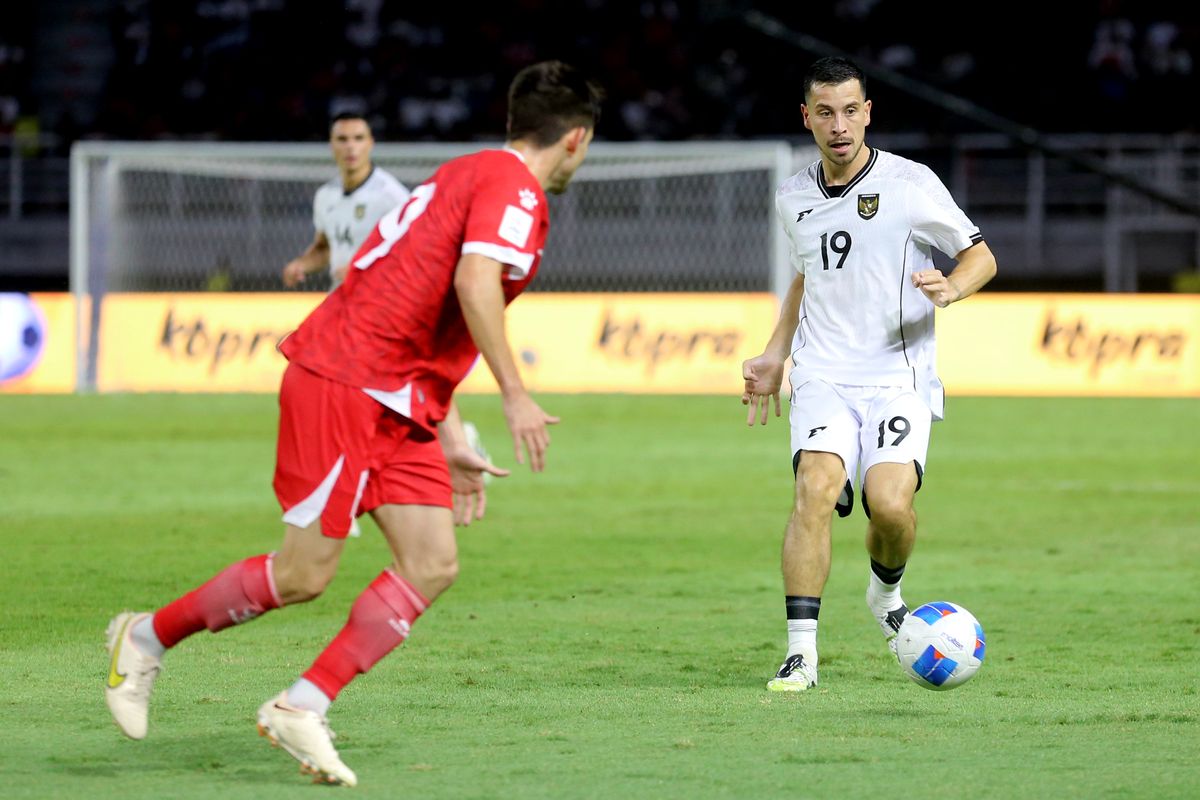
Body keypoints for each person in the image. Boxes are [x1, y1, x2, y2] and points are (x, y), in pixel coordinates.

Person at [104, 60, 603, 785]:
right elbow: (472, 287)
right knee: (304, 573)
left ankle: (301, 706)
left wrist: (451, 434)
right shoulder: (515, 189)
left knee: (433, 560)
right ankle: (145, 637)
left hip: (398, 395)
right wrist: (516, 394)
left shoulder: (464, 173)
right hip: (346, 379)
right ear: (577, 139)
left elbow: (427, 309)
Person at [740, 56, 997, 692]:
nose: (839, 124)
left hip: (897, 376)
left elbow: (980, 256)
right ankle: (802, 651)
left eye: (851, 110)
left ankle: (886, 594)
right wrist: (775, 353)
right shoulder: (792, 197)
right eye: (825, 112)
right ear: (807, 117)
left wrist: (952, 288)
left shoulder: (910, 185)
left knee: (890, 508)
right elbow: (807, 277)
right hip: (824, 372)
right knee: (815, 489)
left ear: (868, 113)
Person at [282, 111, 410, 290]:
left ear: (370, 143)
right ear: (331, 145)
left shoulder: (393, 197)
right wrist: (301, 265)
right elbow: (325, 248)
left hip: (382, 301)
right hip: (341, 296)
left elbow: (414, 254)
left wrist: (364, 270)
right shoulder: (325, 195)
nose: (350, 146)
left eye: (358, 138)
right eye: (342, 139)